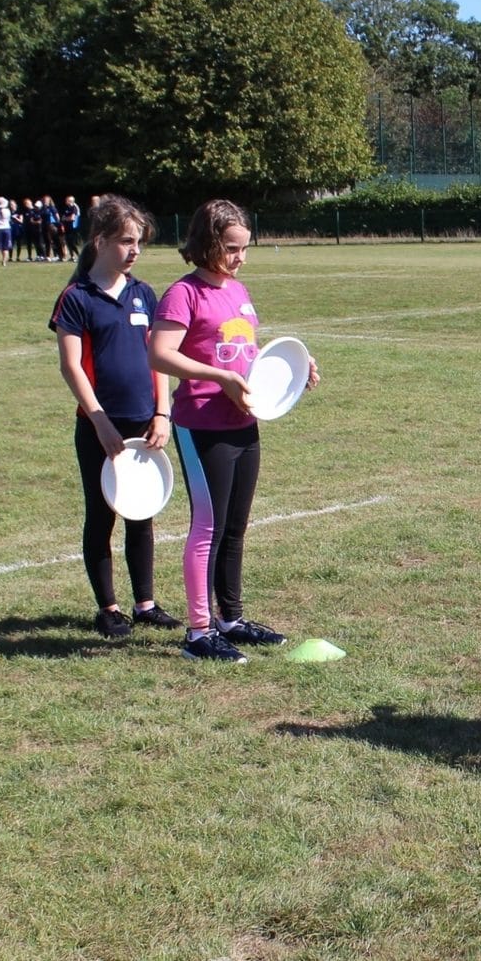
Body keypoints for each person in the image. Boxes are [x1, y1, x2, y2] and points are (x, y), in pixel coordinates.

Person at [148, 200, 319, 663]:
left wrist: (296, 369)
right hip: (202, 423)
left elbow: (244, 350)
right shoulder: (183, 294)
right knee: (209, 526)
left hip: (245, 420)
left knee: (236, 527)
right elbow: (160, 354)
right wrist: (218, 378)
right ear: (206, 243)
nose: (240, 257)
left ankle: (231, 619)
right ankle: (199, 634)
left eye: (244, 248)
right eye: (231, 248)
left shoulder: (237, 289)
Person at [50, 195, 181, 639]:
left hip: (145, 426)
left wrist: (162, 412)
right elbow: (71, 366)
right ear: (100, 240)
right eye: (126, 240)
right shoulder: (76, 297)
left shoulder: (144, 293)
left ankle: (145, 603)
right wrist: (99, 420)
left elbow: (160, 359)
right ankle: (108, 608)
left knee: (142, 513)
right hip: (99, 428)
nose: (134, 249)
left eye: (139, 241)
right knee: (102, 514)